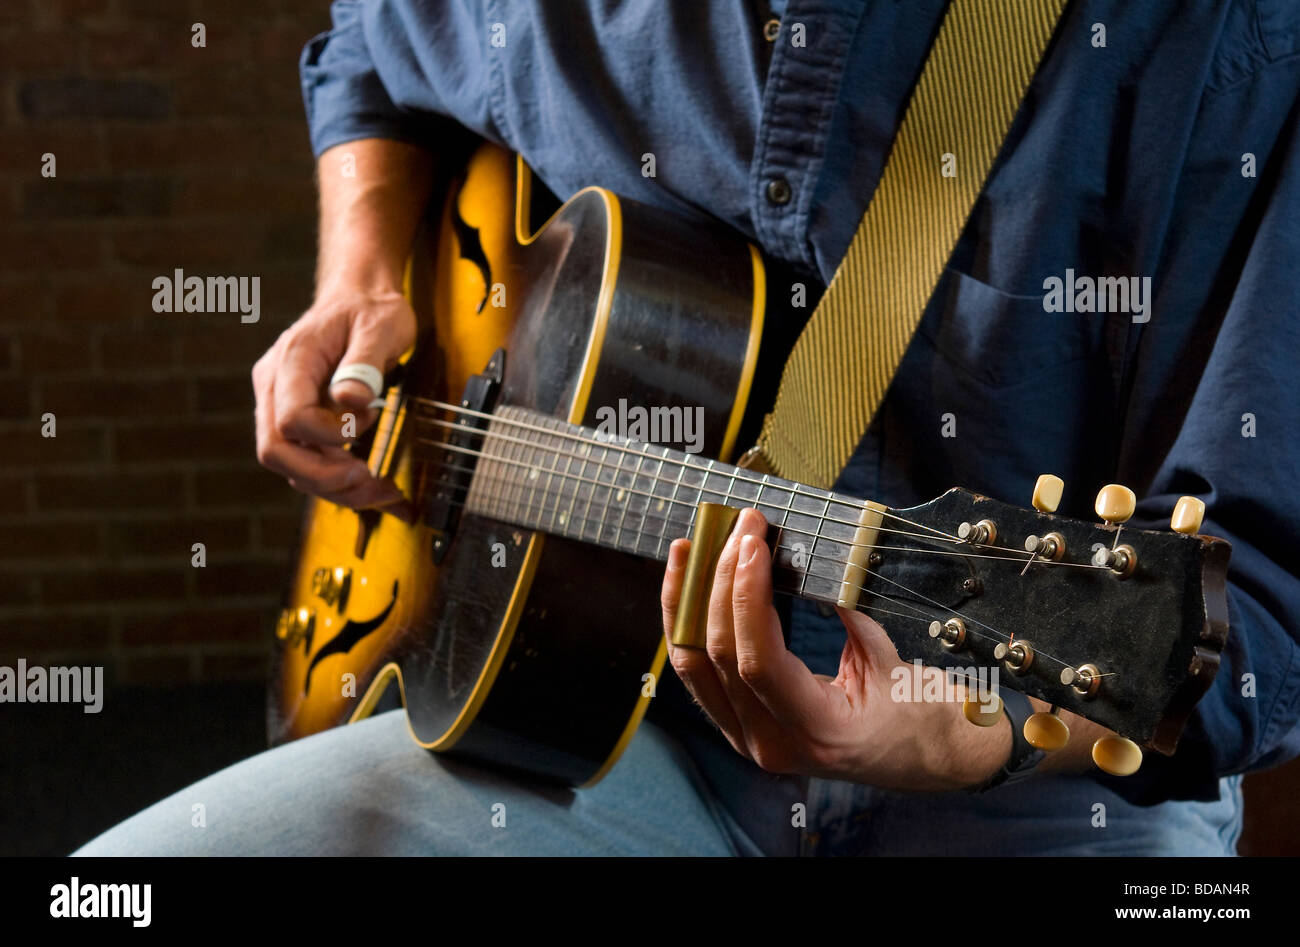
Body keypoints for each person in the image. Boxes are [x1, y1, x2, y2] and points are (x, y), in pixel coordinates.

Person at [77, 0, 1300, 856]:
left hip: (1042, 785)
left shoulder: (1225, 37)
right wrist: (360, 279)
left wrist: (946, 729)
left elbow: (1258, 606)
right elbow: (367, 42)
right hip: (605, 736)